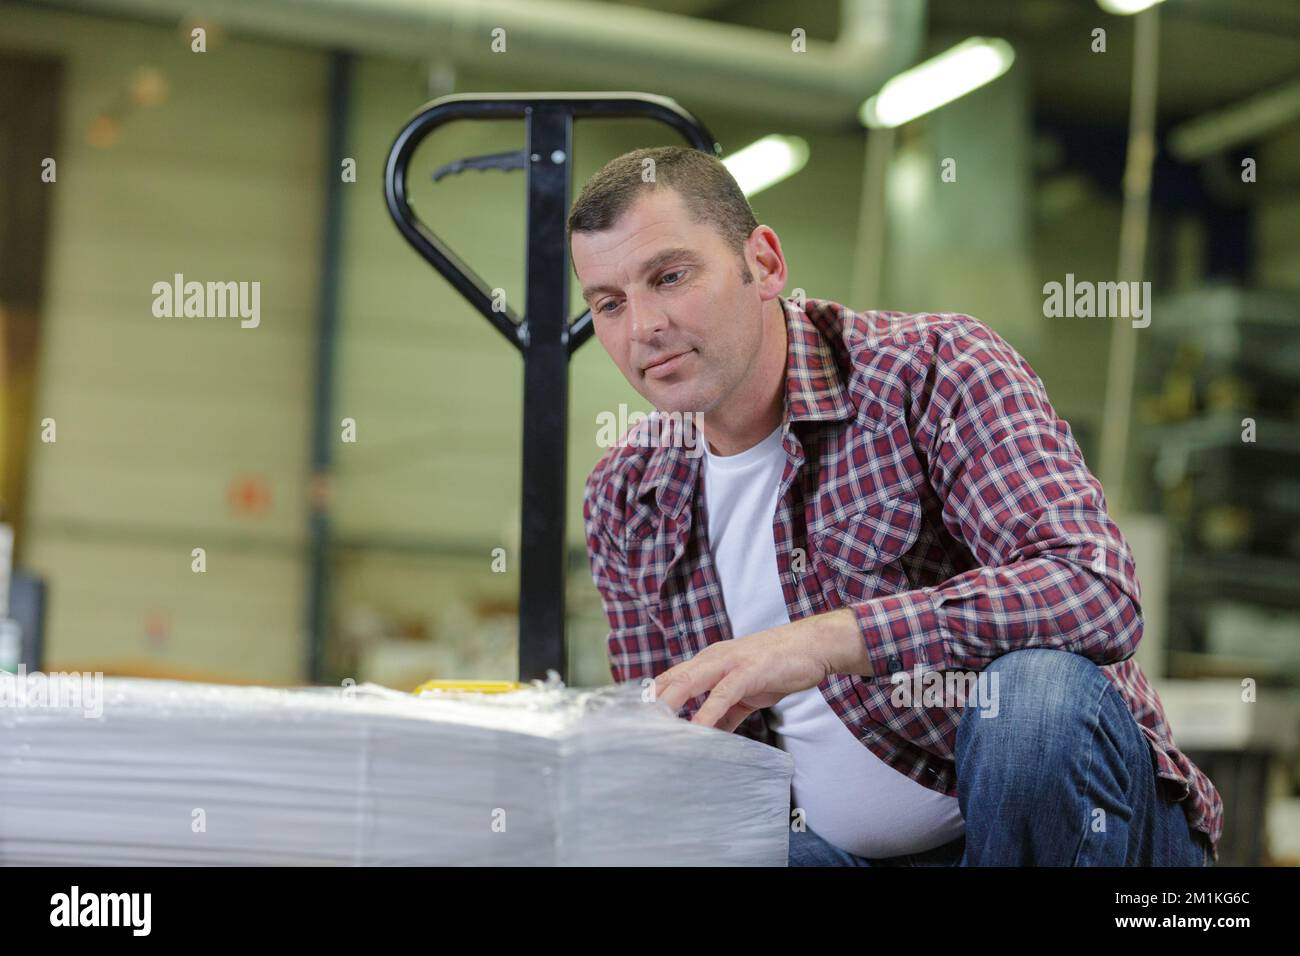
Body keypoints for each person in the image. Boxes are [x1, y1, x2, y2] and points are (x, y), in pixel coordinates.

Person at [569, 145, 1221, 866]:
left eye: (671, 276)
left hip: (1069, 830)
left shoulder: (932, 370)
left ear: (766, 264)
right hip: (833, 852)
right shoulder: (628, 495)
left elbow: (1092, 589)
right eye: (609, 303)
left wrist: (822, 642)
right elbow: (678, 753)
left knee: (1037, 696)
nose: (643, 327)